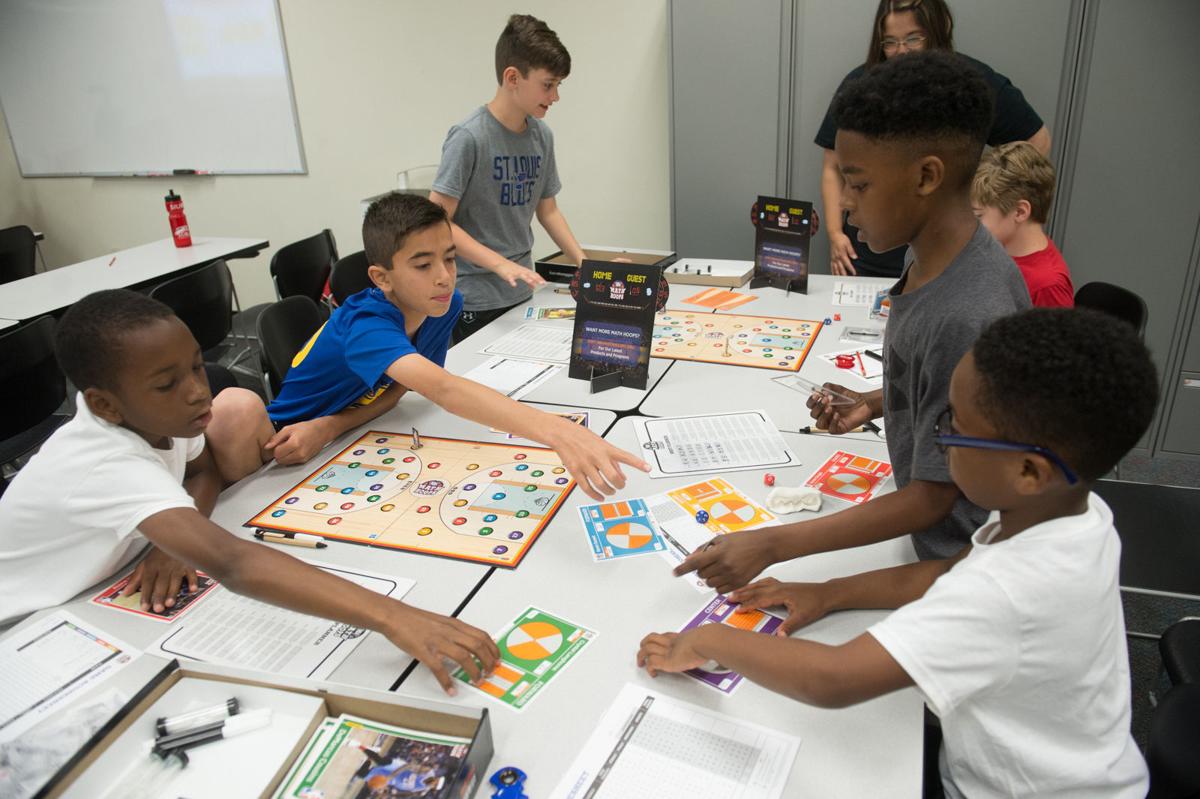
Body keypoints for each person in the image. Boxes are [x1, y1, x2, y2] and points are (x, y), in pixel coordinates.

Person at [640, 307, 1154, 798]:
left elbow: (832, 679)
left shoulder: (1006, 589)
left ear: (1027, 471)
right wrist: (829, 592)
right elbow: (950, 573)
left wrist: (709, 640)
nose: (939, 439)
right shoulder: (1072, 513)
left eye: (953, 427)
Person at [0, 290, 497, 693]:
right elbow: (234, 563)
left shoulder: (163, 417)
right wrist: (393, 616)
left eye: (196, 367)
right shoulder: (102, 460)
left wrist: (165, 538)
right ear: (105, 405)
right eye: (168, 383)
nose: (197, 391)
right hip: (25, 629)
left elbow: (201, 473)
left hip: (96, 589)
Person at [678, 52, 1031, 594]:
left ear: (927, 176)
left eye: (858, 184)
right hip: (928, 542)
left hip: (956, 568)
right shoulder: (942, 258)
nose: (844, 205)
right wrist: (872, 401)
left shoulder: (968, 310)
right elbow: (945, 393)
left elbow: (934, 497)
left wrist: (774, 544)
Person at [206, 193, 647, 499]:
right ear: (381, 278)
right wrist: (558, 431)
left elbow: (401, 390)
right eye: (423, 264)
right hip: (276, 451)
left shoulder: (441, 305)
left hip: (334, 442)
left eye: (450, 258)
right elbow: (445, 390)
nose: (444, 276)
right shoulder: (367, 326)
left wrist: (331, 427)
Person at [816, 0, 1051, 278]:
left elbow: (1037, 141)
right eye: (890, 42)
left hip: (947, 251)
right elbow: (832, 166)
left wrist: (989, 203)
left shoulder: (970, 83)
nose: (902, 52)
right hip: (873, 253)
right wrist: (835, 233)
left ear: (939, 30)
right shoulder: (863, 85)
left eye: (913, 38)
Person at [428, 14, 586, 343]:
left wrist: (584, 263)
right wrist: (499, 264)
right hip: (475, 298)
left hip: (521, 292)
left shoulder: (541, 136)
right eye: (548, 84)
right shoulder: (469, 137)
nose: (555, 96)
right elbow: (437, 223)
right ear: (512, 77)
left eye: (558, 85)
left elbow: (548, 211)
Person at [972, 141, 1074, 307]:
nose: (971, 223)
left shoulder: (1047, 286)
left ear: (1019, 212)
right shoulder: (995, 249)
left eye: (978, 215)